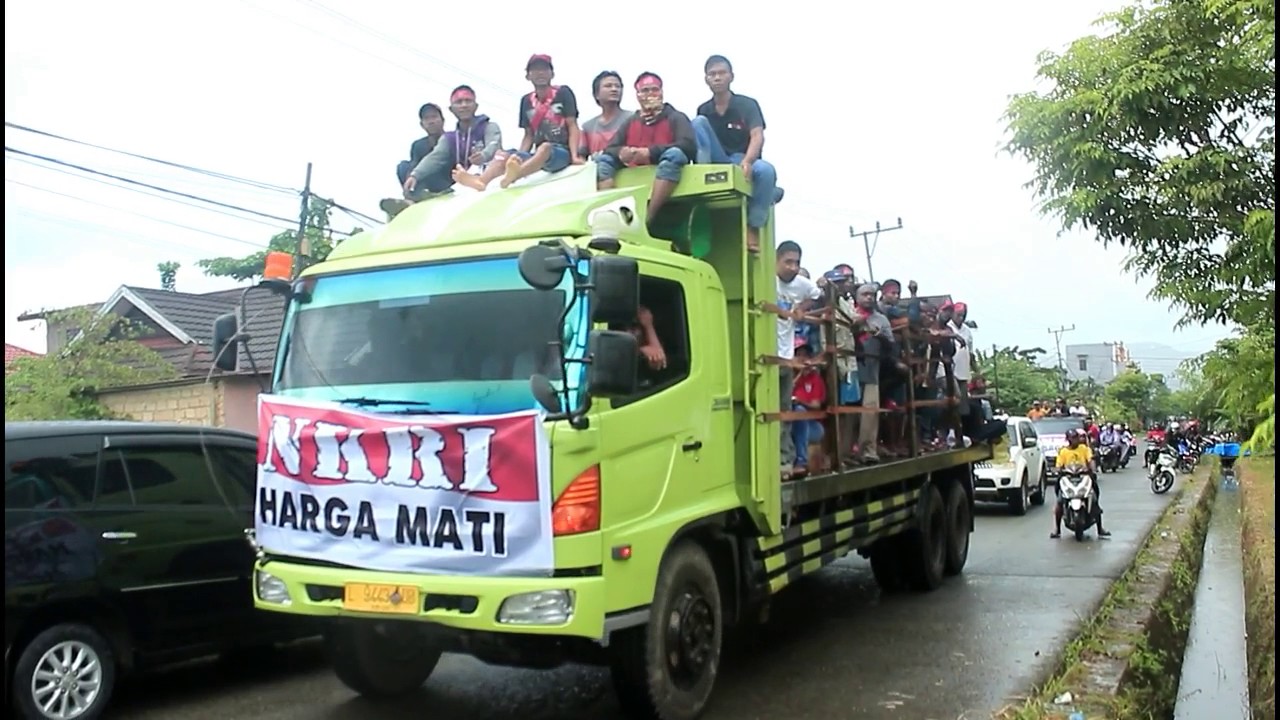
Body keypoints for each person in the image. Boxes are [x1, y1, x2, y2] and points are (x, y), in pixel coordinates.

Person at [691, 55, 782, 254]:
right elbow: (701, 141)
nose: (717, 78)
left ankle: (753, 226)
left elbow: (757, 135)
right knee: (697, 122)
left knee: (767, 171)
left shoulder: (747, 104)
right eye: (712, 74)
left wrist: (748, 161)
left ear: (731, 76)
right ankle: (702, 180)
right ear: (706, 79)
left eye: (721, 73)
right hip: (718, 159)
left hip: (742, 157)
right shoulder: (704, 109)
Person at [454, 54, 582, 192]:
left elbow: (572, 125)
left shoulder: (563, 92)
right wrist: (518, 157)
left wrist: (574, 155)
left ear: (552, 74)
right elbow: (528, 135)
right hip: (537, 155)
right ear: (528, 76)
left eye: (544, 69)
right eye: (535, 70)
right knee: (503, 154)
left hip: (561, 152)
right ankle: (482, 180)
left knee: (545, 147)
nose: (540, 73)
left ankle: (515, 175)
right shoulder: (526, 101)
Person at [597, 72, 696, 228]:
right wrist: (623, 152)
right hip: (634, 170)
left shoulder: (676, 117)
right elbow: (611, 148)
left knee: (675, 154)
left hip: (664, 170)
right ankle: (609, 212)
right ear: (638, 95)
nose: (650, 94)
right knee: (603, 160)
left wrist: (650, 153)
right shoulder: (631, 121)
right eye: (645, 90)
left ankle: (648, 217)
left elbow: (688, 145)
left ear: (661, 93)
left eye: (654, 90)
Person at [386, 86, 504, 216]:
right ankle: (418, 200)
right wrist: (415, 175)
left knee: (503, 156)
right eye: (459, 102)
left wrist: (483, 155)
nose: (464, 105)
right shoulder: (451, 138)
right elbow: (435, 157)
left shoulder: (489, 127)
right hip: (462, 186)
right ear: (451, 109)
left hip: (489, 182)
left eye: (468, 101)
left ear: (475, 106)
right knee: (405, 167)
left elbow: (494, 146)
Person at [769, 240, 822, 478]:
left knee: (784, 412)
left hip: (786, 357)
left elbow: (815, 294)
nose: (792, 267)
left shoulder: (802, 284)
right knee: (765, 413)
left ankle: (784, 462)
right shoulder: (766, 280)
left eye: (796, 263)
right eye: (787, 261)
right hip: (765, 356)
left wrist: (802, 306)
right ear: (776, 260)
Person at [1052, 428, 1111, 539]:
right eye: (1072, 438)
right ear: (1068, 439)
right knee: (1060, 500)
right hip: (1067, 478)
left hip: (1084, 476)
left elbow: (1090, 460)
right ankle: (1057, 529)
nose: (1075, 440)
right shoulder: (1063, 451)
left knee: (1094, 499)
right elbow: (1059, 465)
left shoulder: (1084, 449)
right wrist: (1058, 470)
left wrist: (1092, 470)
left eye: (1076, 437)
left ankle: (1100, 529)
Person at [789, 340, 826, 477]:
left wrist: (801, 401)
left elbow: (816, 405)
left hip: (813, 425)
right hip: (791, 421)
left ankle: (801, 462)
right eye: (799, 355)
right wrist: (798, 374)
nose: (802, 358)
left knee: (800, 411)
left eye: (805, 355)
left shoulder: (815, 378)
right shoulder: (788, 377)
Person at [578, 71, 632, 160]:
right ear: (596, 94)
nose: (614, 89)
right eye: (608, 86)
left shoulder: (632, 118)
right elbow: (581, 158)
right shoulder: (588, 127)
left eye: (618, 86)